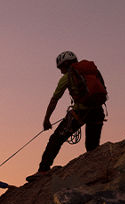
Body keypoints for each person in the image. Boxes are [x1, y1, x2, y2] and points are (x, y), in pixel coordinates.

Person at [28, 50, 106, 181]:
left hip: (79, 113)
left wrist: (46, 119)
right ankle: (95, 170)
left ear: (65, 64)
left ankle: (43, 170)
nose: (60, 71)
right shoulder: (93, 71)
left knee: (55, 140)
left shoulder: (67, 77)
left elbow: (54, 99)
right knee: (92, 146)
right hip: (97, 111)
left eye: (61, 68)